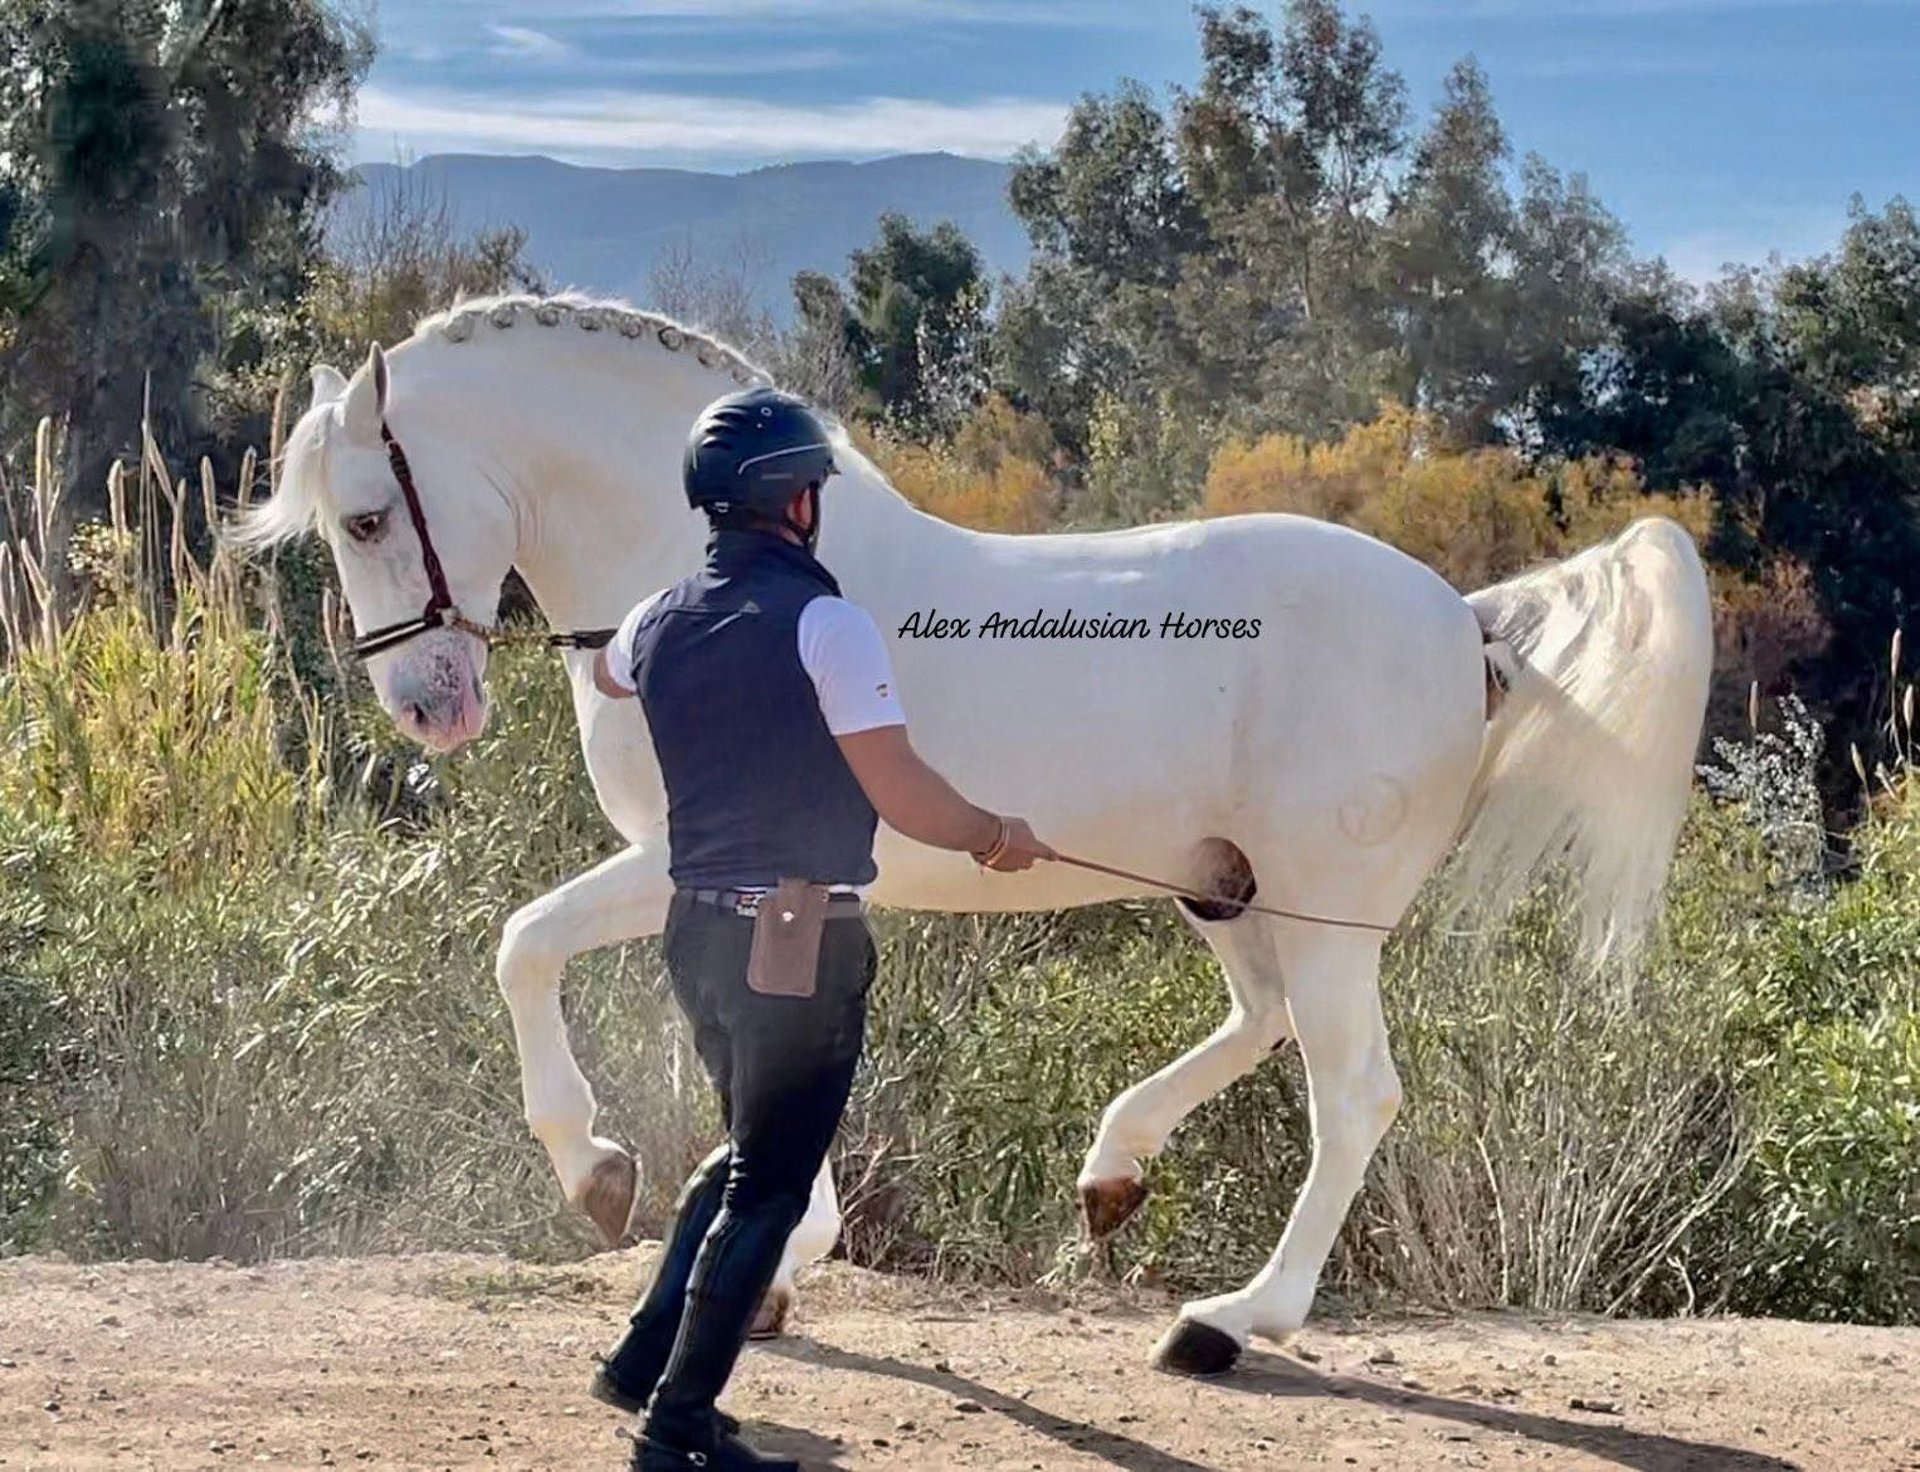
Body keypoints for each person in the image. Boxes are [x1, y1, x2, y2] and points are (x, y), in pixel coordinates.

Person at [589, 385, 1053, 1470]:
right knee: (771, 1184)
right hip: (798, 939)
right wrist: (995, 835)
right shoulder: (828, 625)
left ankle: (641, 1359)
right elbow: (902, 792)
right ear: (797, 501)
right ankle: (677, 1425)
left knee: (746, 1151)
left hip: (696, 934)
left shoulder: (654, 619)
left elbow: (605, 667)